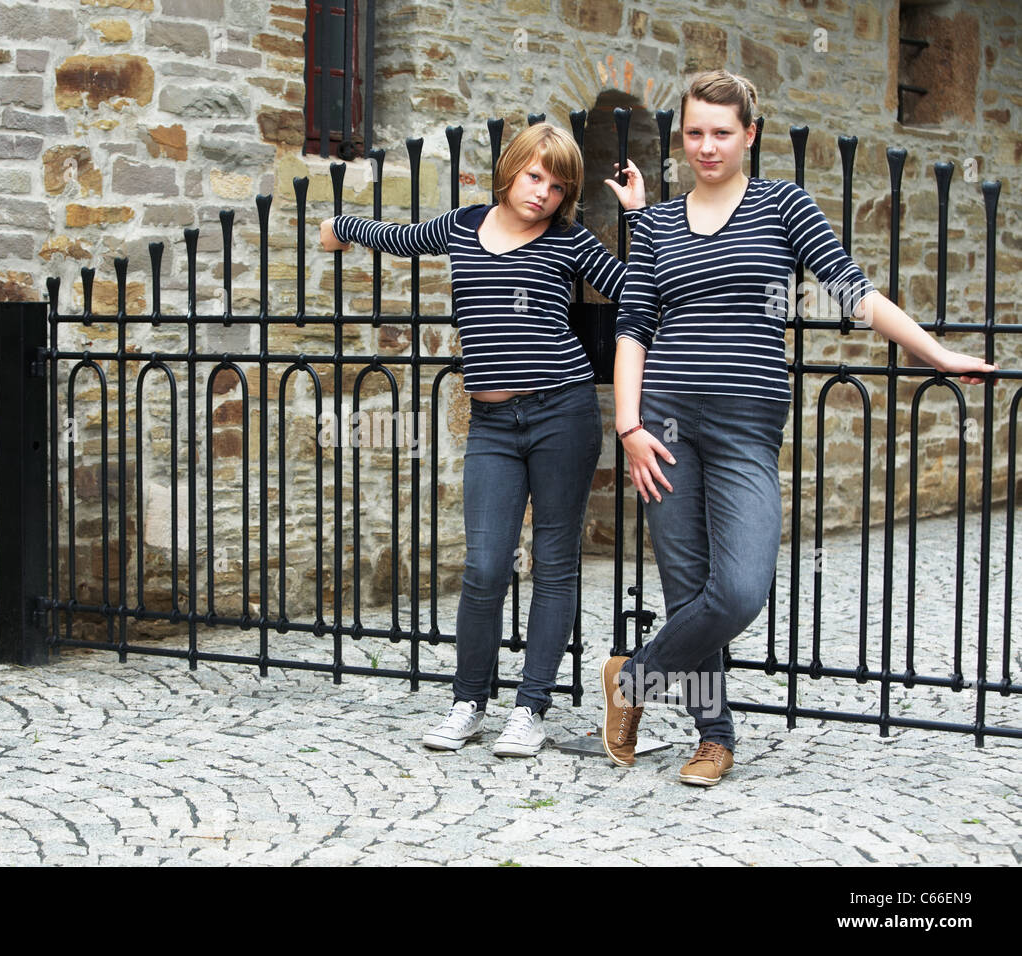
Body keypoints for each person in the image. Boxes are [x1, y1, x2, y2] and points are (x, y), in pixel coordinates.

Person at [603, 70, 995, 785]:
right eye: (694, 132)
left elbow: (852, 289)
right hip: (663, 423)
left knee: (741, 591)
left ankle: (634, 678)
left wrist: (931, 350)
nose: (706, 146)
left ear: (750, 134)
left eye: (722, 132)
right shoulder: (654, 224)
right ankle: (712, 738)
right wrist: (628, 426)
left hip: (747, 427)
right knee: (689, 591)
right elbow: (631, 328)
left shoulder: (783, 206)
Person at [320, 123, 645, 756]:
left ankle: (531, 708)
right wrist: (342, 226)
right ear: (512, 169)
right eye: (533, 177)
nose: (542, 193)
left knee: (553, 564)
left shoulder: (571, 240)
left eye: (557, 186)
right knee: (484, 564)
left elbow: (639, 289)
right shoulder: (465, 225)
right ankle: (469, 700)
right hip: (492, 424)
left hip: (564, 413)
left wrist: (642, 219)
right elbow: (400, 237)